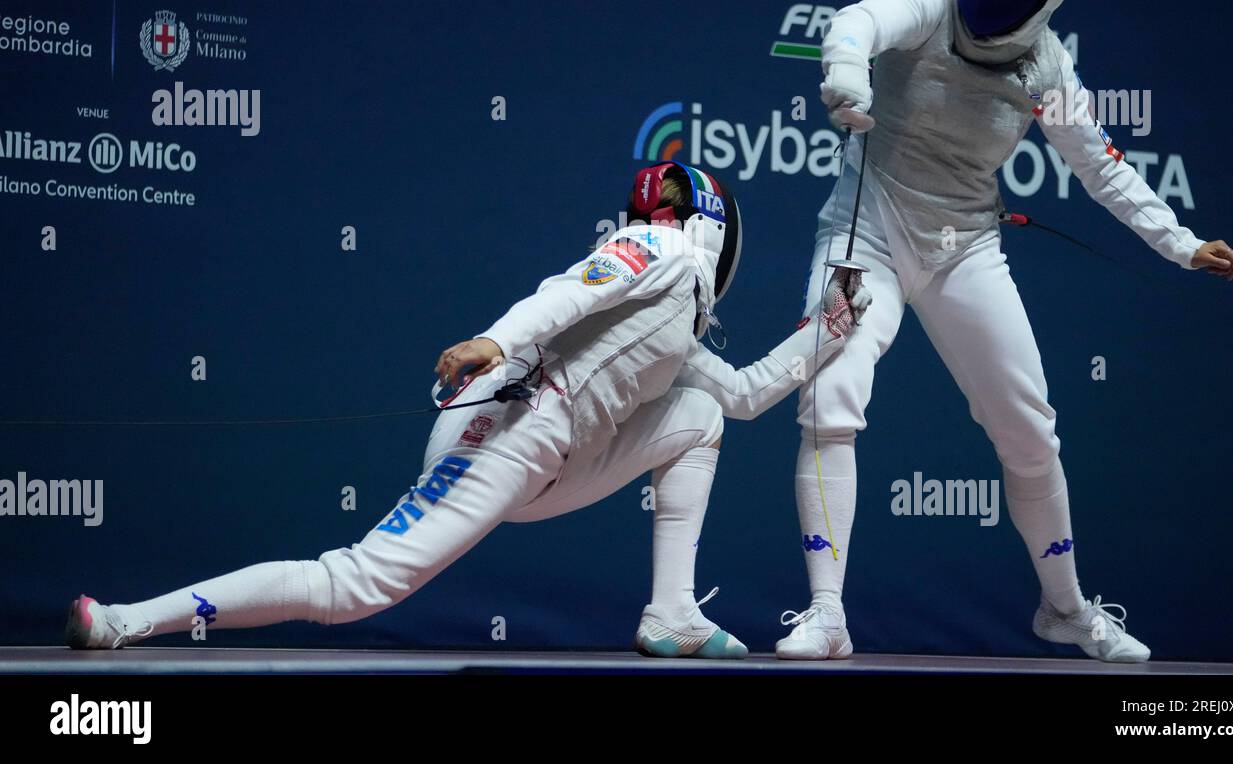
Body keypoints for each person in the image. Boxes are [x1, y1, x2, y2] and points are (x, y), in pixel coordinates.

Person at [65, 161, 870, 659]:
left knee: (701, 415)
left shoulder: (672, 331)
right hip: (508, 431)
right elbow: (575, 286)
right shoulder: (663, 254)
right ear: (715, 231)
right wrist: (495, 340)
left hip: (554, 459)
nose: (645, 215)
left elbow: (750, 393)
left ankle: (671, 614)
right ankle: (126, 621)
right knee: (354, 586)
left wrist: (828, 329)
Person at [777, 0, 1233, 662]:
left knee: (1030, 430)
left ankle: (1064, 608)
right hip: (865, 231)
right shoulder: (930, 4)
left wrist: (1184, 243)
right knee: (831, 393)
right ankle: (826, 613)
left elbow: (1100, 166)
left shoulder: (1047, 69)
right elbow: (855, 24)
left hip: (964, 248)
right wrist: (844, 77)